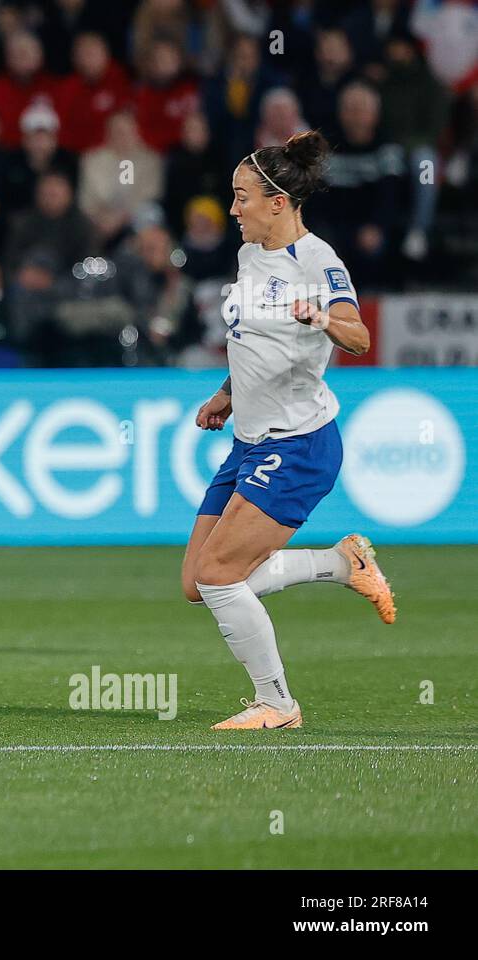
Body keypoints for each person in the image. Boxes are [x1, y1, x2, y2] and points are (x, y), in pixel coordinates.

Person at [183, 131, 396, 732]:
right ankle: (340, 564)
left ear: (278, 201)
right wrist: (227, 393)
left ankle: (277, 703)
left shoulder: (318, 261)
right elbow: (249, 338)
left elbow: (359, 337)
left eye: (241, 196)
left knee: (219, 574)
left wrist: (322, 317)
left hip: (299, 445)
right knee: (198, 582)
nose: (232, 209)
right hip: (249, 441)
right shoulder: (252, 254)